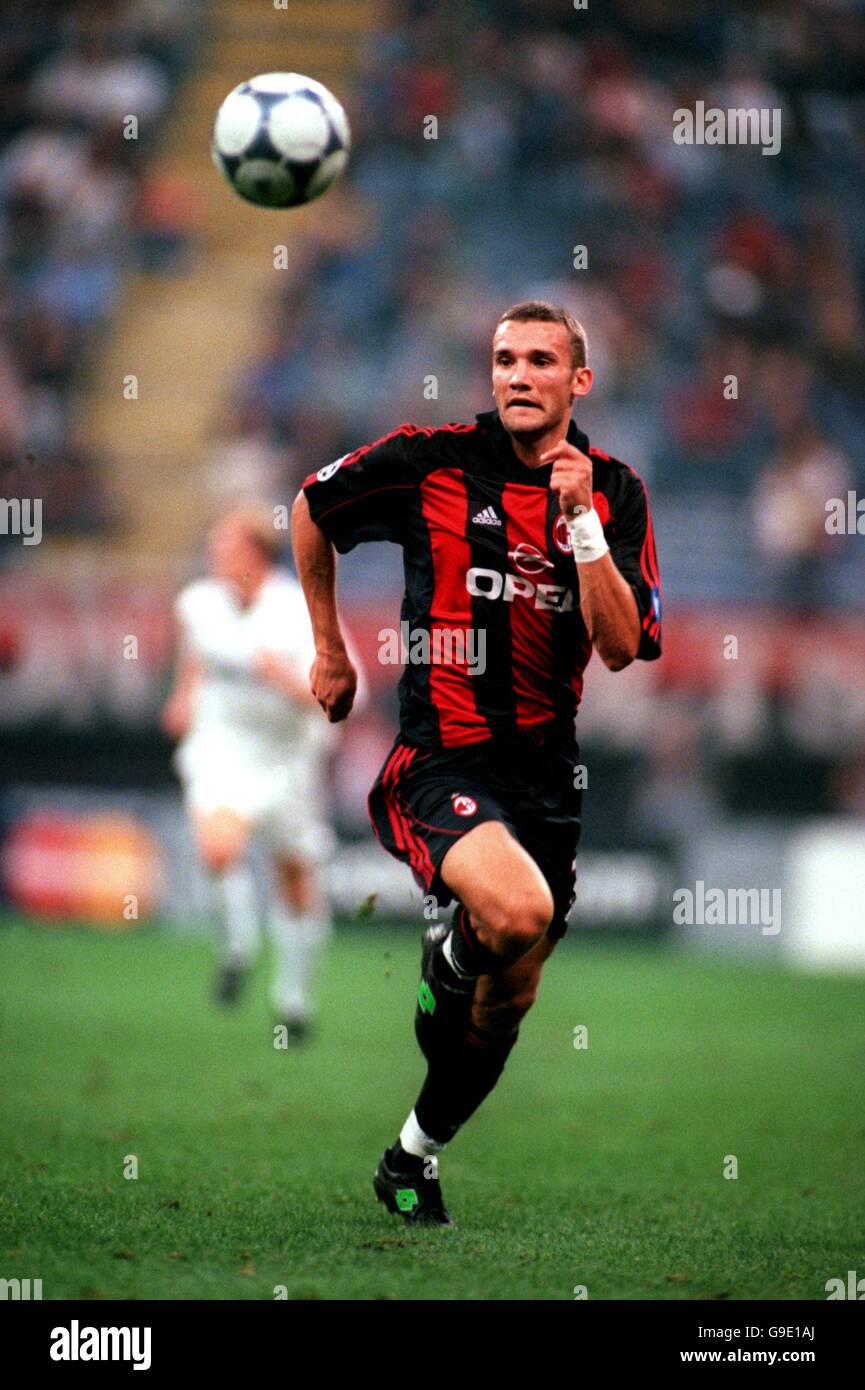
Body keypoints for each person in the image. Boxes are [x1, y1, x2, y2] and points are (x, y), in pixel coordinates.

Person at [291, 300, 662, 1222]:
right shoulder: (431, 461)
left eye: (540, 360)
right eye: (503, 359)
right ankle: (446, 955)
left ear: (579, 381)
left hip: (547, 778)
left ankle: (412, 1155)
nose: (517, 375)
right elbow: (311, 507)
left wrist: (578, 526)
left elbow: (620, 645)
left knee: (510, 999)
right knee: (516, 911)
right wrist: (329, 649)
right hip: (438, 760)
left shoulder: (614, 491)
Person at [162, 504, 335, 1040]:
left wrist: (280, 676)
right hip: (222, 745)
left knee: (296, 879)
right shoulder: (197, 603)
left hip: (287, 757)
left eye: (224, 547)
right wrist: (183, 697)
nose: (212, 556)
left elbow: (333, 696)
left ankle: (294, 996)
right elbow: (197, 655)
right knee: (217, 846)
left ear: (256, 555)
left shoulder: (300, 610)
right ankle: (240, 943)